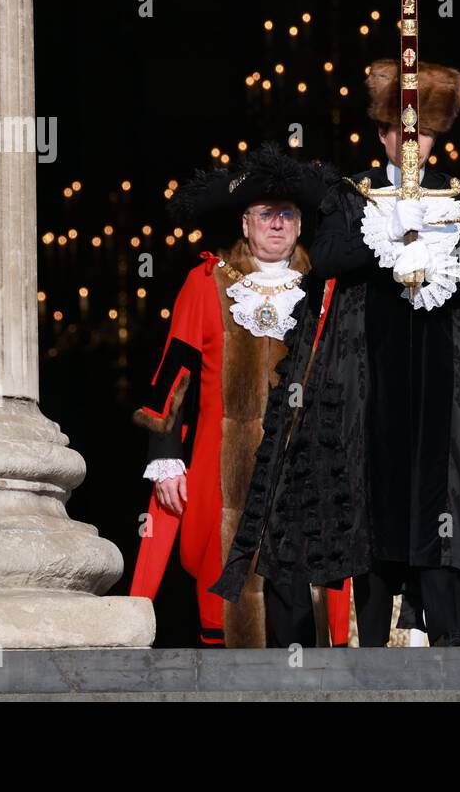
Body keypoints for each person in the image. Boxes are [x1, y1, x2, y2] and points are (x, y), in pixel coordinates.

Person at [211, 60, 460, 647]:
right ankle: (372, 638)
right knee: (370, 497)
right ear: (383, 134)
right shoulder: (354, 192)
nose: (409, 142)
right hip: (367, 376)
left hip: (439, 371)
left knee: (440, 494)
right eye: (398, 131)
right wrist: (389, 237)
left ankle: (446, 630)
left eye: (421, 134)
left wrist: (435, 258)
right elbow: (333, 256)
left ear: (438, 139)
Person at [130, 144, 328, 647]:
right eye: (266, 214)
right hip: (222, 465)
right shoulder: (206, 282)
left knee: (298, 591)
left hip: (302, 461)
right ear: (245, 223)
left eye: (287, 215)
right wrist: (167, 458)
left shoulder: (325, 289)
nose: (277, 225)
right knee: (222, 583)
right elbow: (175, 375)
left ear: (301, 226)